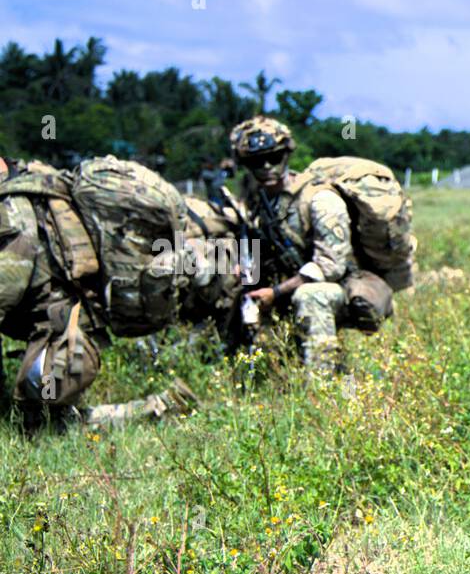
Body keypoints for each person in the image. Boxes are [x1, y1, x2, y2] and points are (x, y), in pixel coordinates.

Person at [0, 154, 200, 432]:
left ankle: (159, 408)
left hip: (65, 334)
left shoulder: (11, 209)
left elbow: (4, 292)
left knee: (38, 425)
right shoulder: (29, 181)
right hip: (56, 319)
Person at [227, 116, 357, 373]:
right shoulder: (254, 203)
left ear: (286, 156)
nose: (266, 167)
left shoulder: (319, 199)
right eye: (255, 161)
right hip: (280, 289)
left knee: (311, 296)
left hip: (335, 290)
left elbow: (329, 266)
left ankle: (323, 384)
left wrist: (275, 293)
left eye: (273, 158)